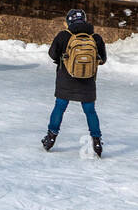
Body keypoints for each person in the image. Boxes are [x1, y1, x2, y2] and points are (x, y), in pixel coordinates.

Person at [42, 9, 107, 156]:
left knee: (60, 107)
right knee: (90, 111)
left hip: (66, 79)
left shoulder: (64, 35)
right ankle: (96, 141)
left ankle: (51, 138)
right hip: (88, 82)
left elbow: (52, 53)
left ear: (69, 21)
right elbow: (103, 58)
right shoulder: (95, 37)